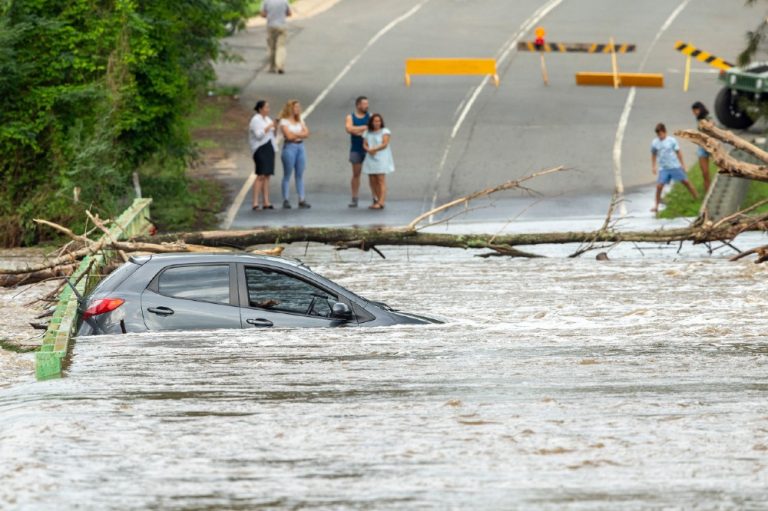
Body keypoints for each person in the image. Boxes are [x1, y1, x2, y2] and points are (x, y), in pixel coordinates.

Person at [651, 123, 698, 213]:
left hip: (674, 166)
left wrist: (683, 165)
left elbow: (678, 152)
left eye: (661, 134)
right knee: (659, 186)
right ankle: (656, 206)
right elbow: (653, 154)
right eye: (658, 134)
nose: (659, 136)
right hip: (664, 168)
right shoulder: (655, 142)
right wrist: (653, 166)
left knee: (686, 181)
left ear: (664, 132)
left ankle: (696, 197)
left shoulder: (671, 140)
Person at [278, 99, 311, 209]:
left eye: (298, 107)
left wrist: (295, 134)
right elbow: (289, 136)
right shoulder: (284, 121)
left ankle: (301, 199)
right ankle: (285, 199)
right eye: (296, 107)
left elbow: (307, 133)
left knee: (299, 174)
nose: (298, 109)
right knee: (287, 174)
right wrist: (299, 133)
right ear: (290, 108)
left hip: (300, 146)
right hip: (289, 147)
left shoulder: (300, 120)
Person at [248, 100, 278, 210]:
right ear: (260, 109)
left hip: (269, 147)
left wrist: (275, 126)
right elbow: (259, 135)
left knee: (267, 175)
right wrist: (269, 126)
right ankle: (255, 202)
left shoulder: (267, 119)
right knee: (260, 174)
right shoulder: (255, 120)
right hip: (260, 148)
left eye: (268, 107)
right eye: (266, 107)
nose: (268, 109)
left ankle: (266, 201)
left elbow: (273, 134)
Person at [362, 113, 394, 210]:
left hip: (381, 157)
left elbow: (385, 144)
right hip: (370, 157)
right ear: (371, 122)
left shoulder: (385, 131)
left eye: (379, 121)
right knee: (372, 179)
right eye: (375, 121)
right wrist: (368, 150)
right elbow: (365, 144)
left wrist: (374, 149)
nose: (377, 123)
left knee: (380, 180)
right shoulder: (367, 132)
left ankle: (381, 201)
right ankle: (375, 199)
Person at [344, 96, 370, 207]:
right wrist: (363, 128)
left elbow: (372, 128)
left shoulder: (371, 116)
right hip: (356, 148)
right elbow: (349, 129)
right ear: (358, 105)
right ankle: (354, 197)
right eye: (364, 104)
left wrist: (357, 129)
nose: (366, 106)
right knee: (356, 174)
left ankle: (375, 197)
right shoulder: (351, 117)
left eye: (367, 104)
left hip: (368, 148)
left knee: (373, 174)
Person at [261, 0, 291, 74]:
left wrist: (270, 15)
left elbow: (263, 14)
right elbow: (289, 13)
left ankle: (272, 67)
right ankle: (280, 66)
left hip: (271, 26)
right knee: (281, 46)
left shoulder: (266, 1)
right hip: (282, 26)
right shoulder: (284, 1)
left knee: (272, 47)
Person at [691, 101, 713, 191]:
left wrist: (707, 126)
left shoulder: (707, 117)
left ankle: (710, 188)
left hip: (710, 145)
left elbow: (712, 123)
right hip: (701, 147)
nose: (694, 113)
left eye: (694, 111)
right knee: (704, 172)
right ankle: (707, 190)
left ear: (699, 109)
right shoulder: (698, 119)